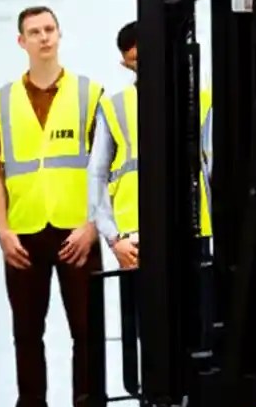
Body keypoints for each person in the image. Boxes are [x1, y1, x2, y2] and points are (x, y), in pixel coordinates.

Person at [0, 5, 102, 407]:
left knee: (86, 333)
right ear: (22, 42)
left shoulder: (89, 94)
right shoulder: (1, 100)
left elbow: (102, 165)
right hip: (24, 231)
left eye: (50, 29)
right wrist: (2, 229)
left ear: (60, 35)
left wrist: (93, 224)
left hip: (77, 230)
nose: (44, 37)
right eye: (34, 32)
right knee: (26, 332)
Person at [88, 21, 214, 268]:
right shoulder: (115, 107)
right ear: (126, 63)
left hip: (195, 228)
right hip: (135, 235)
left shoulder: (202, 101)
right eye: (135, 59)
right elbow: (96, 175)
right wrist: (114, 239)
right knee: (142, 305)